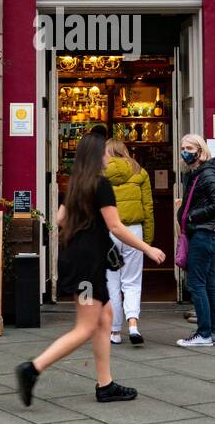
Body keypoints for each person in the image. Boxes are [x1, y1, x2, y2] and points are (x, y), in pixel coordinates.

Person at [15, 132, 165, 406]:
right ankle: (33, 368)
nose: (109, 156)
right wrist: (147, 248)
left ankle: (105, 384)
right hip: (86, 267)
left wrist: (83, 221)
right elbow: (116, 226)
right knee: (85, 327)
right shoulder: (101, 185)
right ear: (97, 156)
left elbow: (60, 219)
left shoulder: (75, 184)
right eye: (105, 152)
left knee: (105, 318)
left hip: (83, 262)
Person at [177, 134, 215, 348]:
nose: (185, 151)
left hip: (203, 233)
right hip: (207, 234)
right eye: (182, 147)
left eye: (189, 147)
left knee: (196, 285)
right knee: (210, 285)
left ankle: (204, 333)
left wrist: (192, 216)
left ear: (200, 150)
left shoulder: (206, 174)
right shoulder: (198, 173)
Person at [104, 139, 154, 346]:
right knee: (132, 282)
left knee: (111, 283)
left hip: (109, 232)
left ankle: (115, 331)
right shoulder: (140, 173)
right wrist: (147, 241)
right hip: (134, 232)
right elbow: (148, 208)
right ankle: (133, 324)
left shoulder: (100, 174)